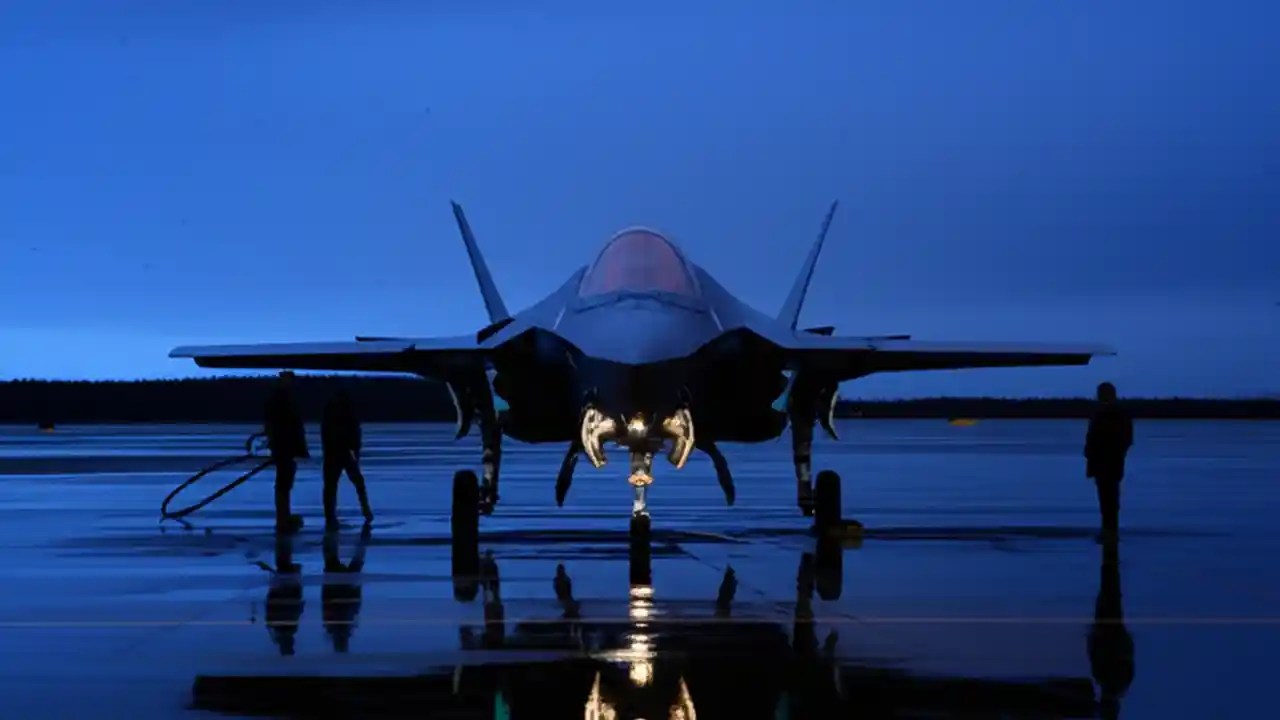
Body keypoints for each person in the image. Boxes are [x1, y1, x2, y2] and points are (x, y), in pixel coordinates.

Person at [1084, 382, 1133, 538]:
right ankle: (1109, 530)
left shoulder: (1112, 414)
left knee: (1109, 498)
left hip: (1109, 462)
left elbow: (1125, 439)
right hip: (1106, 462)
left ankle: (1110, 531)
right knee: (1108, 498)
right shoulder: (1101, 413)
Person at [264, 371, 309, 534]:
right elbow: (286, 425)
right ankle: (283, 519)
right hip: (284, 446)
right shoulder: (282, 400)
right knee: (283, 484)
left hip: (284, 447)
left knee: (284, 484)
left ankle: (283, 517)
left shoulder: (282, 398)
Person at [322, 389, 373, 528]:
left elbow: (327, 432)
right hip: (342, 452)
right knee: (355, 483)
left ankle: (330, 517)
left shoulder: (331, 410)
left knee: (331, 486)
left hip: (335, 452)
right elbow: (355, 431)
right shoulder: (347, 410)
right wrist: (356, 450)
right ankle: (365, 510)